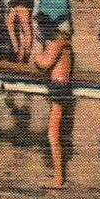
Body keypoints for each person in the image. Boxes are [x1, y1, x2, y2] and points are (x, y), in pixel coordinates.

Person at [32, 21, 75, 190]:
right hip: (60, 88)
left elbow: (45, 63)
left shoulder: (57, 44)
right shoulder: (66, 45)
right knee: (55, 133)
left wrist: (37, 56)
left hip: (59, 89)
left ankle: (58, 177)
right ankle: (58, 175)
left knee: (53, 135)